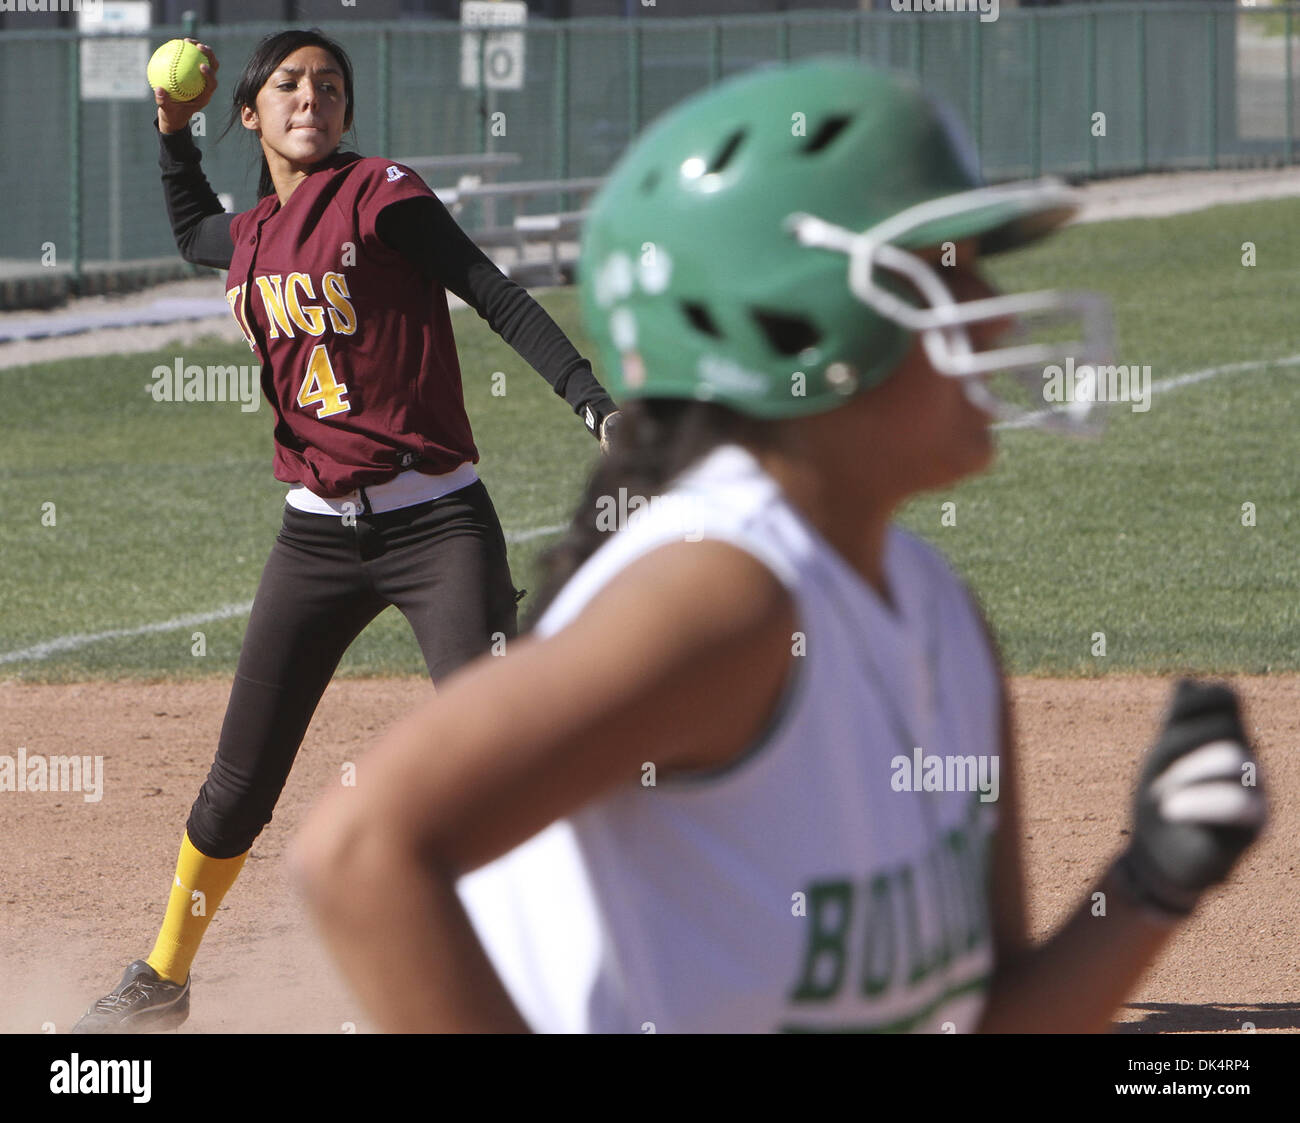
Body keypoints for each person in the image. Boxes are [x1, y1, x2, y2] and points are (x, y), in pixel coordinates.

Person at [289, 58, 1267, 1033]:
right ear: (797, 322)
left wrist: (1150, 882)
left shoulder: (933, 609)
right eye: (944, 270)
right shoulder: (726, 594)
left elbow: (984, 1019)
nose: (997, 307)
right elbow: (362, 852)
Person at [72, 28, 620, 1034]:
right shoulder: (249, 239)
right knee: (237, 785)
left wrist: (591, 400)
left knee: (495, 758)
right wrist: (171, 132)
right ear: (252, 112)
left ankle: (575, 976)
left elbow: (491, 291)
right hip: (315, 535)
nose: (311, 97)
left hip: (436, 521)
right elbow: (196, 225)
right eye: (288, 84)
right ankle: (162, 978)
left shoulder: (384, 194)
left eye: (329, 84)